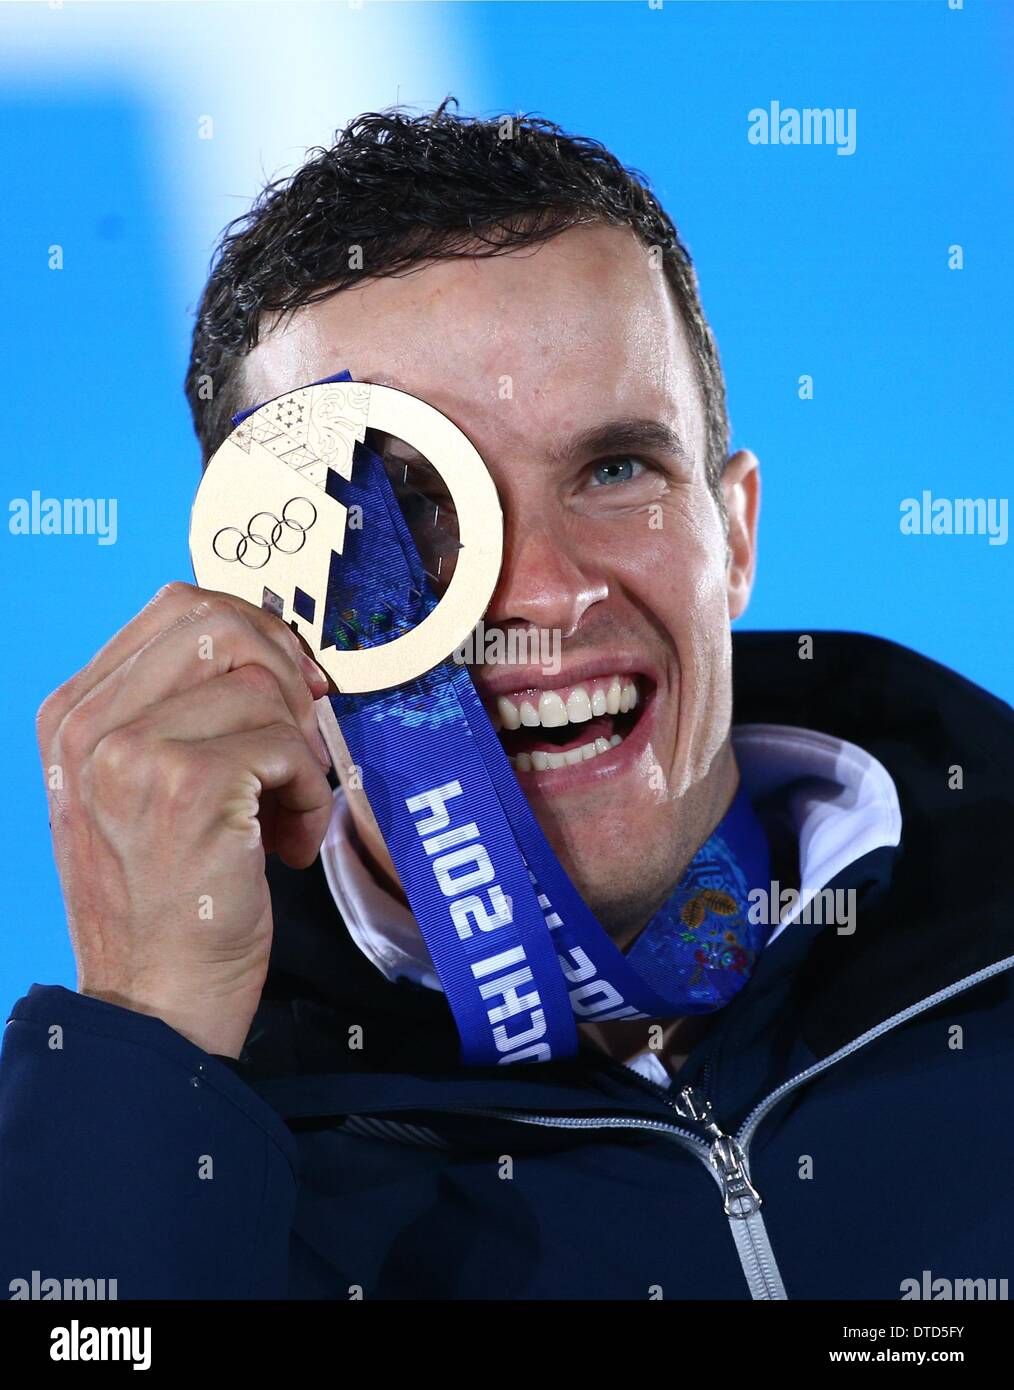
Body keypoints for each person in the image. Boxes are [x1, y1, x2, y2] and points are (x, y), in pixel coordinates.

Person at [2, 104, 1011, 1302]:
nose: (543, 591)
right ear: (261, 612)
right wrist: (143, 1058)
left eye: (616, 468)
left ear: (735, 535)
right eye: (406, 509)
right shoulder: (184, 1143)